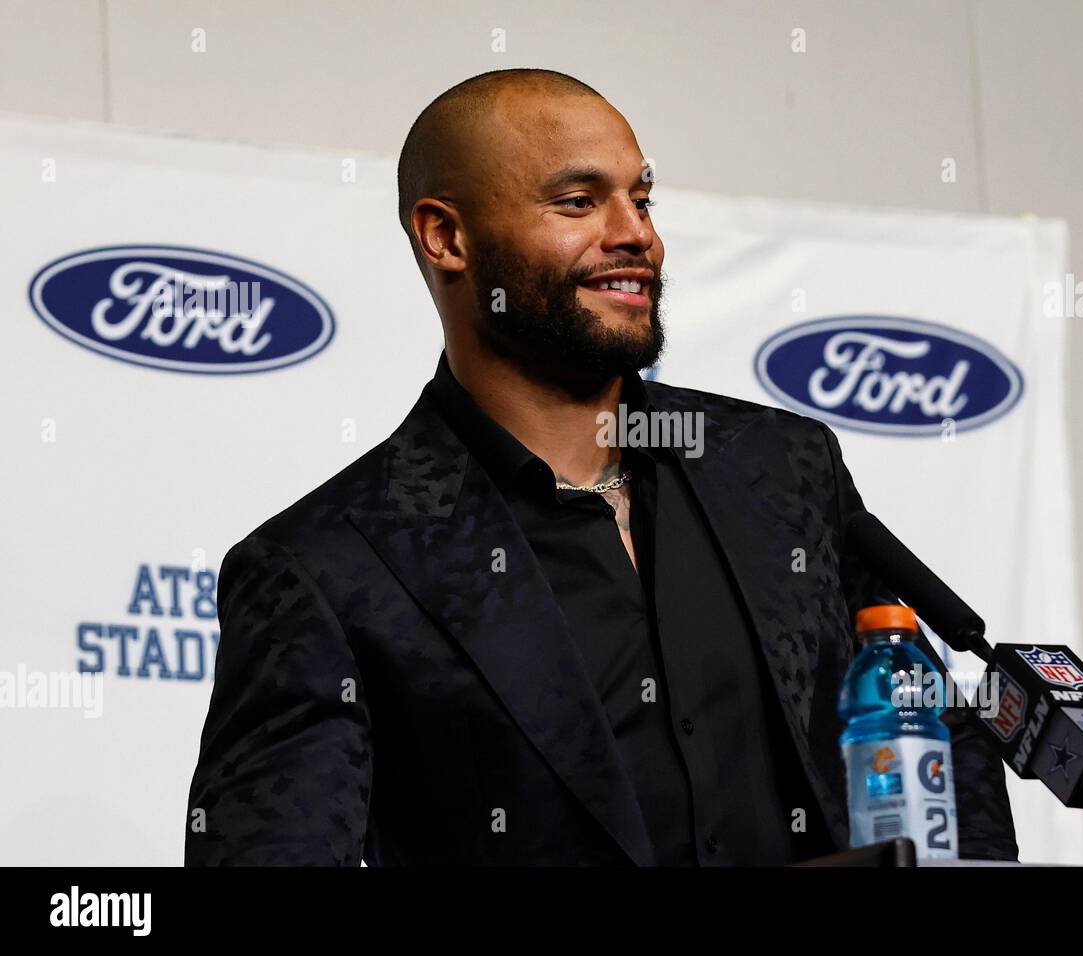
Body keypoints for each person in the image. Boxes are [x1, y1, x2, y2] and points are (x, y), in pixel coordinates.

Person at [184, 68, 1017, 866]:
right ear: (447, 236)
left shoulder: (780, 467)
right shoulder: (327, 566)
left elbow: (933, 736)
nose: (636, 235)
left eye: (642, 198)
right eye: (579, 202)